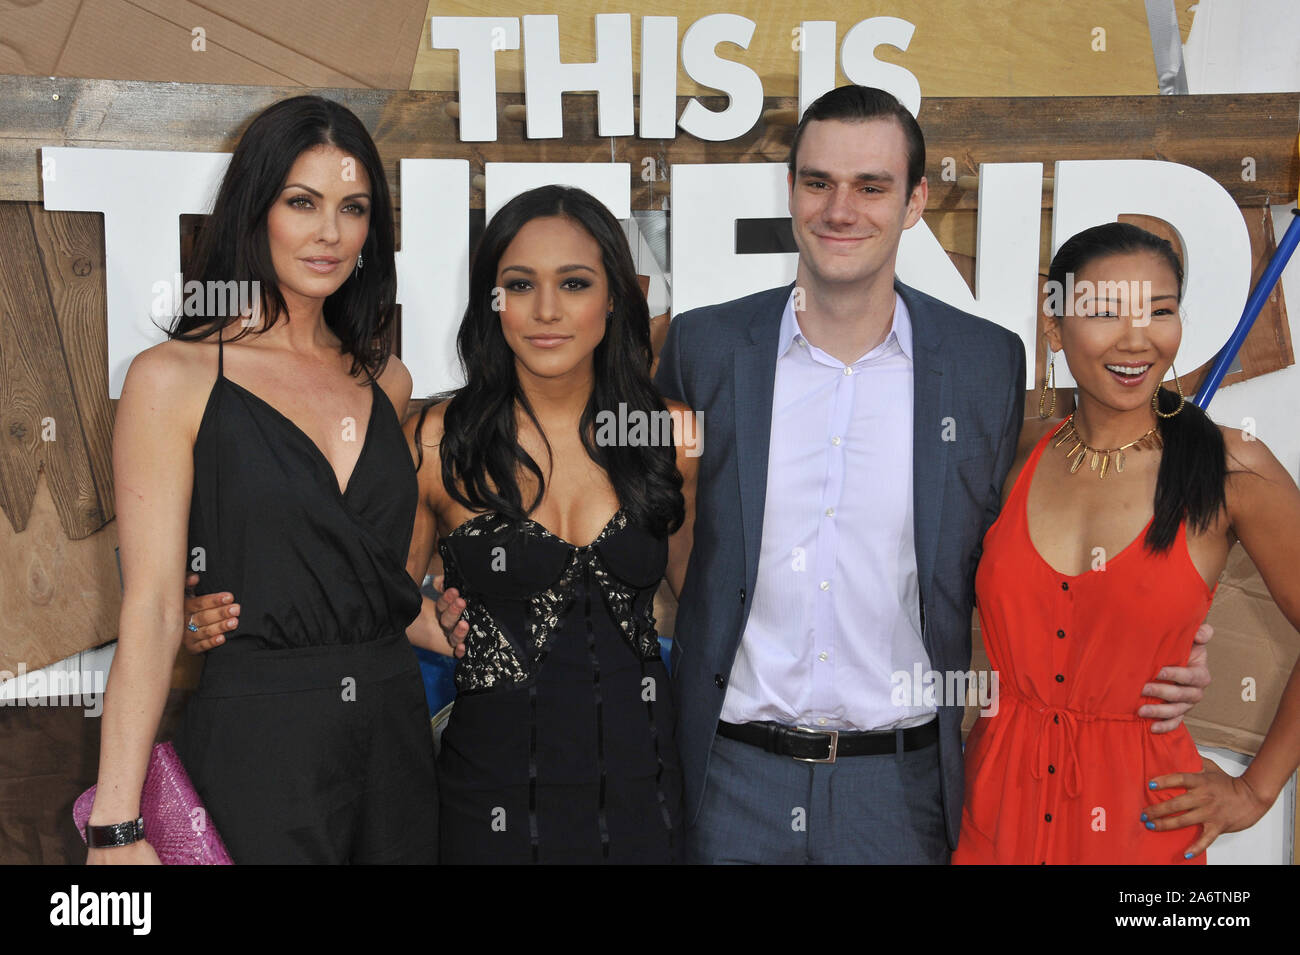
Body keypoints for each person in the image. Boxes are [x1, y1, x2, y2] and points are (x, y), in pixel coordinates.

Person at [646, 85, 1212, 864]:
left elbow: (1030, 542)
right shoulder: (705, 346)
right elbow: (669, 520)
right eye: (819, 183)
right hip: (732, 778)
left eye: (872, 186)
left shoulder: (983, 364)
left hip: (903, 791)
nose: (841, 209)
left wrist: (1168, 639)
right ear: (792, 193)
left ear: (915, 201)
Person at [186, 184, 699, 864]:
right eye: (519, 284)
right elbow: (360, 608)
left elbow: (711, 613)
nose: (546, 310)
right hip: (490, 800)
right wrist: (193, 612)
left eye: (574, 283)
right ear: (492, 301)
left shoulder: (671, 436)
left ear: (615, 297)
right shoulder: (434, 441)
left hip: (647, 793)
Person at [87, 95, 438, 864]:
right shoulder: (172, 378)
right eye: (302, 202)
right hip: (259, 740)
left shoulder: (390, 382)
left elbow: (365, 572)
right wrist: (116, 821)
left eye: (354, 208)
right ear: (255, 210)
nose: (330, 233)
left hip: (395, 732)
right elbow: (148, 606)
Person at [952, 222, 1300, 864]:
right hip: (993, 817)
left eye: (1160, 311)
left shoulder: (1231, 466)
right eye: (1106, 313)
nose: (1137, 338)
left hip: (1143, 827)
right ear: (1054, 328)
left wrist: (1254, 791)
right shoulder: (1015, 452)